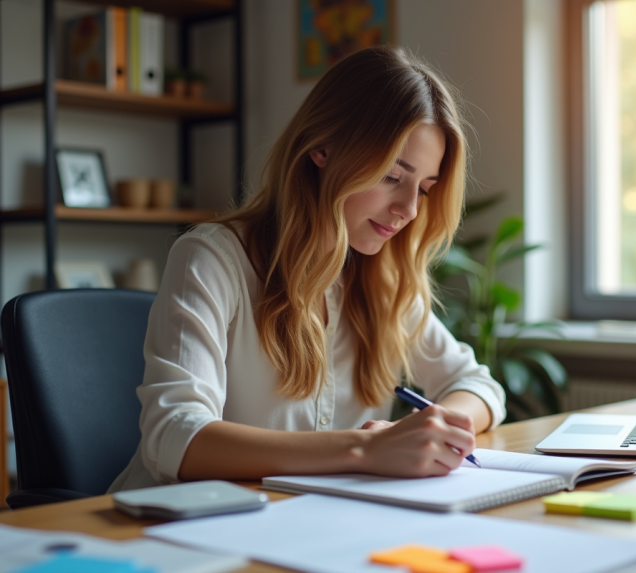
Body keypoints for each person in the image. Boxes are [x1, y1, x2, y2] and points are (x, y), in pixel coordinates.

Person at [109, 46, 506, 492]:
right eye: (392, 177)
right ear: (321, 147)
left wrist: (440, 426)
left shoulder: (384, 280)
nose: (409, 210)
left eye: (425, 190)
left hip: (305, 523)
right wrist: (364, 450)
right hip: (170, 532)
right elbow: (174, 439)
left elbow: (477, 384)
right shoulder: (212, 259)